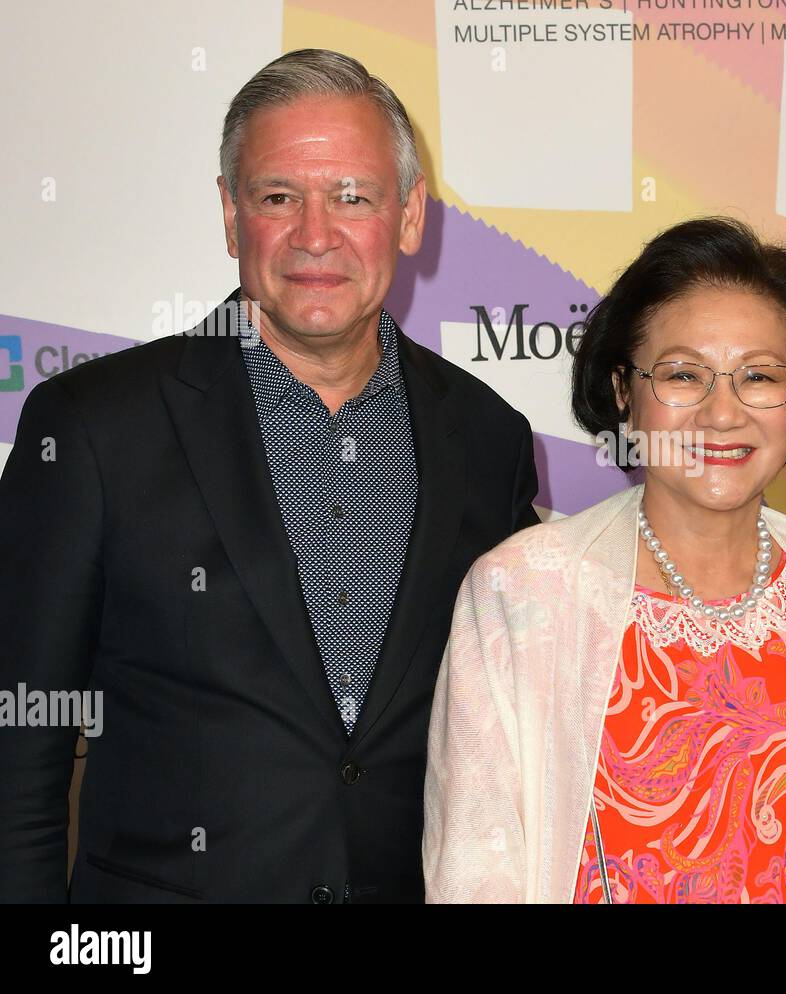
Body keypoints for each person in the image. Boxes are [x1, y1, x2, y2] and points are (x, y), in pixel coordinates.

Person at [0, 49, 538, 903]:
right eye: (277, 196)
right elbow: (18, 754)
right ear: (229, 215)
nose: (314, 235)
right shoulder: (93, 428)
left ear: (409, 216)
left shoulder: (488, 438)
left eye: (352, 197)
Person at [423, 216, 786, 904]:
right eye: (684, 375)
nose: (722, 413)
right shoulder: (523, 592)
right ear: (625, 392)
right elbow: (475, 873)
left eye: (761, 377)